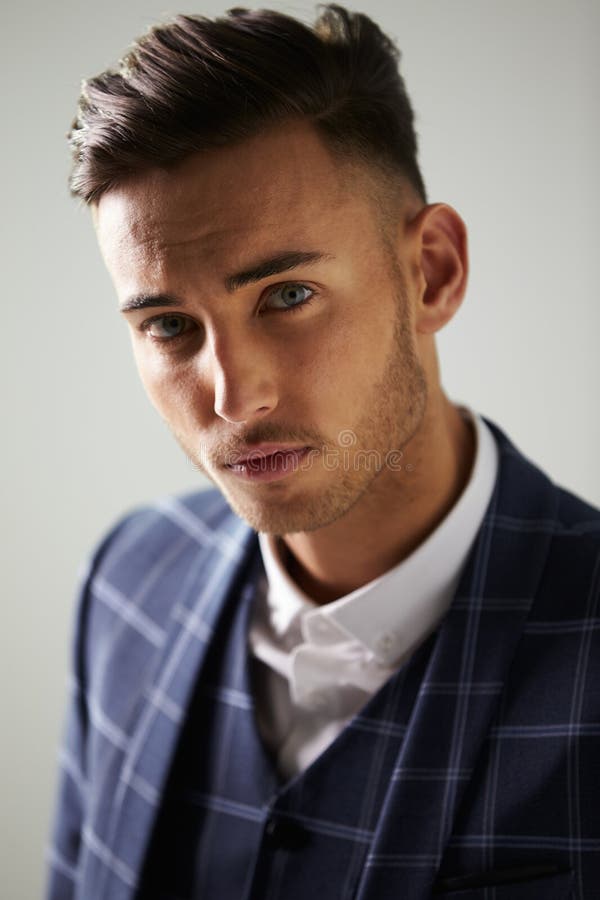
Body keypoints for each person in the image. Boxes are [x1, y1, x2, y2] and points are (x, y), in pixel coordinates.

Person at [46, 5, 600, 899]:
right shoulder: (125, 583)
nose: (233, 396)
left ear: (432, 272)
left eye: (286, 293)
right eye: (170, 325)